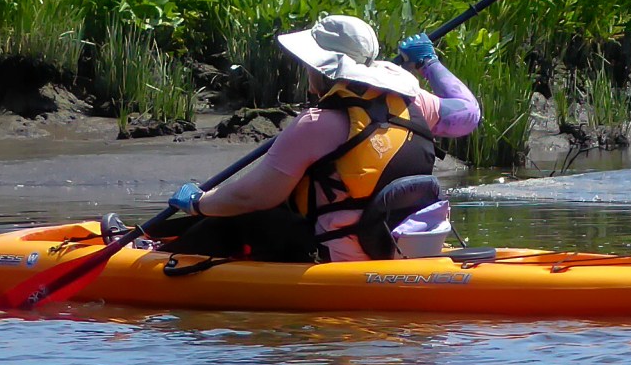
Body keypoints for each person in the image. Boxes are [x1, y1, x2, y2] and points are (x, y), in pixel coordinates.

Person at [152, 14, 481, 263]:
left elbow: (253, 198)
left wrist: (199, 203)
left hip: (333, 257)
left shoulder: (315, 124)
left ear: (322, 69)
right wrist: (429, 63)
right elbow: (468, 113)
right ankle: (161, 242)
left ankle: (156, 259)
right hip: (400, 248)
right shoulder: (417, 103)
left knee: (233, 220)